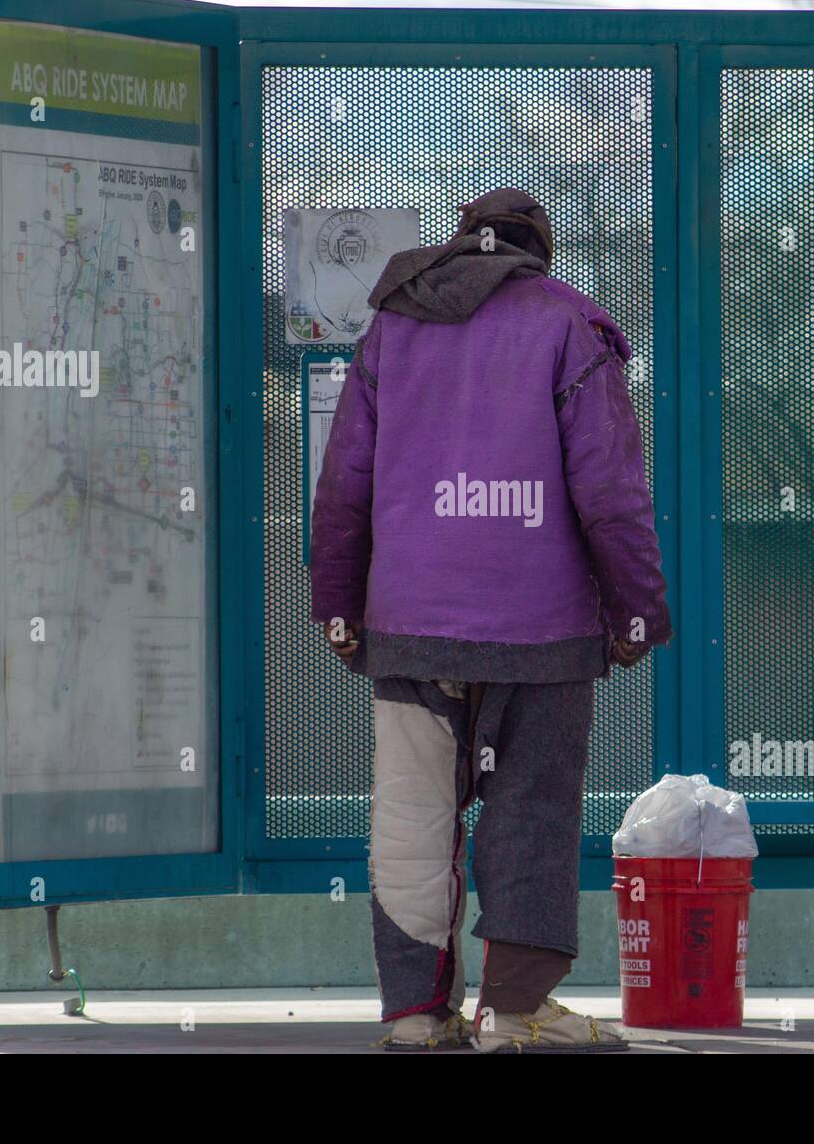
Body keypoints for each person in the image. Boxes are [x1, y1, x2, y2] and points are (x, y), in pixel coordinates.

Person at [309, 187, 671, 1053]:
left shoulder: (390, 330)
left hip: (408, 621)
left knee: (411, 811)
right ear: (535, 252)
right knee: (531, 810)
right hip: (539, 628)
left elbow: (343, 488)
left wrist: (337, 603)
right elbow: (610, 492)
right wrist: (635, 609)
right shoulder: (569, 326)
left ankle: (412, 1013)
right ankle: (514, 1013)